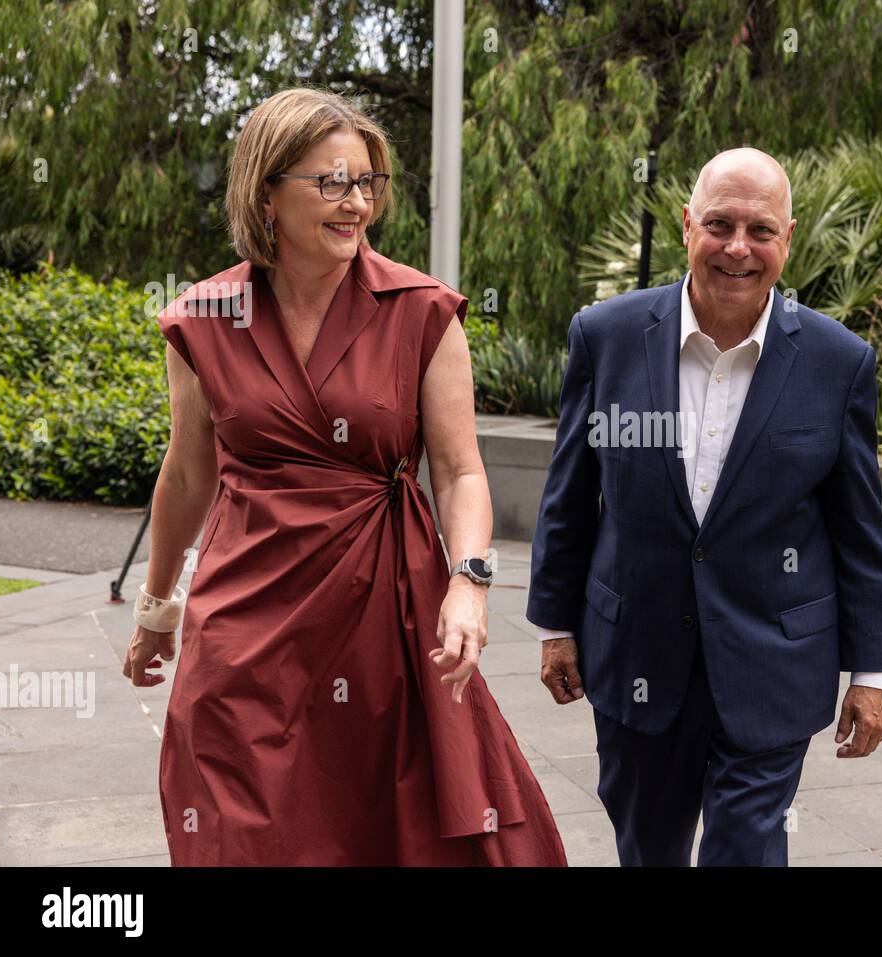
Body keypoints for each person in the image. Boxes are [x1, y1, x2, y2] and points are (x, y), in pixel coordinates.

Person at [126, 86, 566, 866]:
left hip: (384, 612)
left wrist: (469, 581)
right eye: (330, 183)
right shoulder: (202, 319)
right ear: (267, 192)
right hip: (242, 620)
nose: (355, 203)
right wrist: (159, 608)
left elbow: (461, 470)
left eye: (367, 183)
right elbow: (188, 476)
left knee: (382, 816)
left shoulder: (422, 310)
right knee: (235, 818)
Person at [527, 147, 882, 866]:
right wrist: (555, 624)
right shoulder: (603, 336)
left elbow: (861, 532)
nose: (738, 247)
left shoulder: (838, 361)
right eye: (720, 224)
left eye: (760, 230)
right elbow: (569, 493)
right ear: (687, 224)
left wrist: (873, 675)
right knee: (649, 849)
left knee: (747, 851)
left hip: (775, 663)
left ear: (788, 238)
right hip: (637, 651)